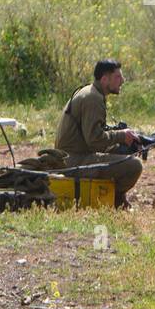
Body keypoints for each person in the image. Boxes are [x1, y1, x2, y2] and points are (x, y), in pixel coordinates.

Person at [54, 60, 143, 207]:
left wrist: (123, 140)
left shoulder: (90, 92)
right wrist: (121, 136)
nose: (123, 81)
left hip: (71, 156)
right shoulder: (93, 98)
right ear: (104, 79)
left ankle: (117, 199)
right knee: (134, 165)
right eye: (117, 77)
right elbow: (95, 141)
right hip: (74, 161)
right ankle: (114, 199)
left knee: (123, 152)